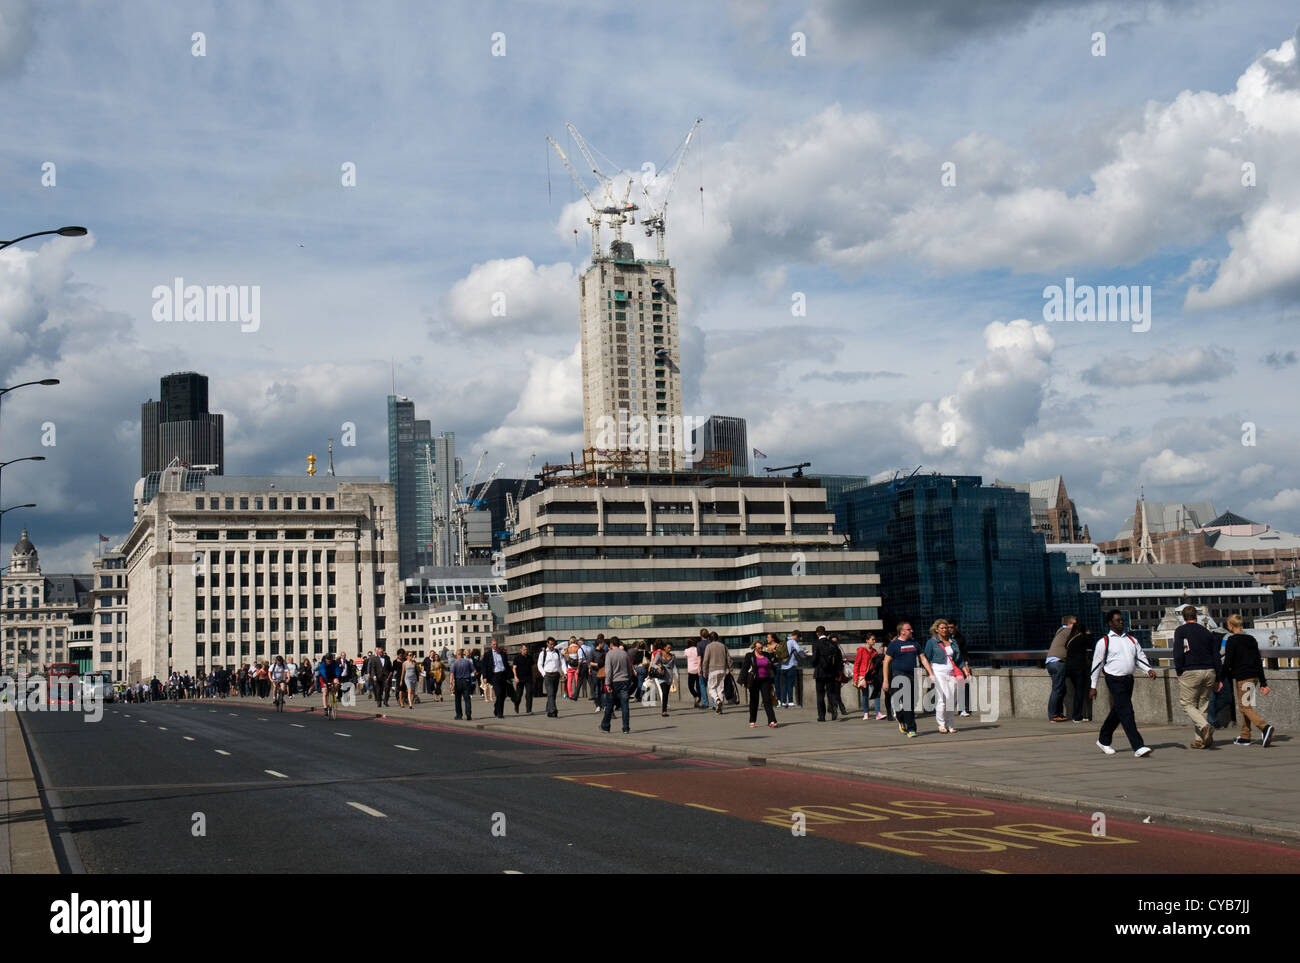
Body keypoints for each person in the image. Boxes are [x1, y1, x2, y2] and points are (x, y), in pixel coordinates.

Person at [1090, 610, 1155, 758]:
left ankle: (1103, 740)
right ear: (1110, 623)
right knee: (1127, 711)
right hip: (1114, 679)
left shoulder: (1131, 640)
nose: (1121, 622)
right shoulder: (1104, 642)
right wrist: (1093, 686)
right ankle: (1138, 746)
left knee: (1118, 711)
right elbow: (1096, 666)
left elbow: (1140, 658)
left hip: (1128, 679)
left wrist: (1148, 669)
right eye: (1117, 620)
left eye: (1121, 620)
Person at [1217, 614, 1275, 747]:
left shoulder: (1232, 640)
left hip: (1243, 677)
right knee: (1246, 706)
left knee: (1244, 706)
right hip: (1254, 677)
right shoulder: (1251, 639)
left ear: (1231, 625)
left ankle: (1264, 727)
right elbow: (1257, 662)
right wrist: (1263, 682)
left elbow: (1228, 662)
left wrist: (1220, 678)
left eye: (1228, 624)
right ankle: (1245, 736)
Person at [1172, 605, 1221, 749]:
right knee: (1203, 705)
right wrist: (1218, 677)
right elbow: (1216, 655)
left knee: (1187, 704)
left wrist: (1179, 669)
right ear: (1196, 616)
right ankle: (1200, 740)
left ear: (1183, 617)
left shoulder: (1181, 631)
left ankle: (1205, 726)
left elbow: (1178, 652)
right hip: (1209, 671)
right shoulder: (1206, 632)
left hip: (1191, 670)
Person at [920, 620, 965, 734]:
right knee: (942, 698)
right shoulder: (932, 642)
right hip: (938, 671)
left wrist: (965, 670)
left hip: (951, 672)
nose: (945, 630)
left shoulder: (952, 641)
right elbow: (927, 658)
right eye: (942, 628)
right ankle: (941, 724)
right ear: (937, 630)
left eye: (946, 628)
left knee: (951, 699)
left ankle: (950, 724)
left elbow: (958, 658)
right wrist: (930, 673)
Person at [883, 622, 921, 737]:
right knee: (907, 702)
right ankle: (911, 729)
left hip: (912, 675)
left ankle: (901, 719)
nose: (912, 631)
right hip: (899, 676)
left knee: (911, 703)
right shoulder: (894, 645)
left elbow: (922, 658)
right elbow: (886, 662)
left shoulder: (914, 643)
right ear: (902, 631)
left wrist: (930, 672)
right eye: (909, 629)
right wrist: (885, 680)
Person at [741, 641, 779, 729]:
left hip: (766, 680)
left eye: (762, 648)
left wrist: (772, 681)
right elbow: (745, 668)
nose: (761, 650)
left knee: (767, 700)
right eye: (759, 648)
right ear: (755, 647)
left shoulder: (766, 655)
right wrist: (743, 681)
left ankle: (772, 720)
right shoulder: (749, 656)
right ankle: (752, 720)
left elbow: (772, 667)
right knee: (754, 701)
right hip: (754, 681)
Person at [1045, 616, 1075, 722]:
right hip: (1058, 662)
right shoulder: (1069, 630)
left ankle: (1058, 714)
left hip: (1050, 662)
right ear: (1070, 624)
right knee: (1057, 690)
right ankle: (1053, 715)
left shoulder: (1060, 631)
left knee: (1059, 689)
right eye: (1075, 623)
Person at [600, 638, 633, 733]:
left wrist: (608, 684)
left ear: (611, 644)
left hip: (614, 682)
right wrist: (629, 680)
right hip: (625, 681)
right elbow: (629, 669)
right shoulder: (624, 653)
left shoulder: (609, 654)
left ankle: (606, 726)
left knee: (609, 705)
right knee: (625, 706)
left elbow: (608, 671)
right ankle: (626, 728)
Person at [811, 626, 842, 722]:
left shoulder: (816, 643)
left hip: (820, 672)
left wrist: (813, 664)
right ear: (825, 633)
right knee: (831, 693)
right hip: (831, 672)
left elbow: (815, 658)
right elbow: (838, 657)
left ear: (817, 633)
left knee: (820, 694)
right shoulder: (832, 643)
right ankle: (833, 709)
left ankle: (821, 716)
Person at [1064, 621, 1092, 722]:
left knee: (1077, 692)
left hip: (1069, 668)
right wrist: (1088, 634)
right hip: (1079, 668)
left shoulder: (1070, 639)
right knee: (1080, 692)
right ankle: (1077, 716)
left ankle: (1080, 715)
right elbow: (1091, 645)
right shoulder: (1082, 638)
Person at [481, 639, 514, 718]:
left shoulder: (502, 653)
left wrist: (510, 676)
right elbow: (484, 666)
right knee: (498, 693)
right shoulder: (488, 654)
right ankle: (500, 713)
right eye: (493, 644)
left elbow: (506, 664)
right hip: (494, 676)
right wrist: (485, 677)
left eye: (496, 644)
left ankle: (497, 708)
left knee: (502, 695)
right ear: (491, 645)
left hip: (503, 674)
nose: (495, 646)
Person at [701, 632, 731, 713]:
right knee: (720, 689)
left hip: (713, 670)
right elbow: (729, 658)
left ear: (709, 639)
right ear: (717, 638)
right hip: (722, 669)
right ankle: (720, 707)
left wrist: (704, 670)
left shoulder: (709, 646)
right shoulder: (723, 646)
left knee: (711, 688)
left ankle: (717, 700)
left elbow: (706, 660)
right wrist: (730, 669)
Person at [948, 618, 972, 717]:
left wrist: (966, 666)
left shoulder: (960, 638)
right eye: (947, 627)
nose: (949, 629)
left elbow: (964, 653)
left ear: (956, 627)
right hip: (948, 666)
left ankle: (962, 709)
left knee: (962, 686)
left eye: (951, 627)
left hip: (958, 665)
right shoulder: (944, 637)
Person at [537, 637, 564, 718]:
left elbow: (562, 662)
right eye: (550, 644)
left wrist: (565, 672)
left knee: (553, 694)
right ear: (547, 644)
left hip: (556, 674)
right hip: (547, 675)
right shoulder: (543, 653)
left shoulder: (557, 652)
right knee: (550, 693)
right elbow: (539, 664)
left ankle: (549, 710)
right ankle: (553, 711)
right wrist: (543, 674)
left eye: (553, 644)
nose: (552, 646)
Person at [853, 634, 878, 719]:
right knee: (865, 695)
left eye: (874, 639)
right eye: (872, 639)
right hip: (863, 675)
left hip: (873, 675)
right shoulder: (861, 650)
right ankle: (866, 713)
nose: (874, 641)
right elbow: (856, 664)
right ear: (867, 640)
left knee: (876, 693)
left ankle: (878, 713)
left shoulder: (875, 651)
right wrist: (855, 677)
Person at [648, 641, 675, 717]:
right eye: (668, 647)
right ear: (664, 647)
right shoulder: (659, 654)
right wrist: (659, 667)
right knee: (664, 691)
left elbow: (673, 667)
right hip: (661, 676)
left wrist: (676, 677)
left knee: (666, 693)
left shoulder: (673, 656)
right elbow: (654, 663)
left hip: (669, 676)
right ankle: (664, 711)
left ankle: (664, 709)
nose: (669, 649)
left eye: (670, 648)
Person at [451, 649, 475, 720]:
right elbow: (474, 671)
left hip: (458, 682)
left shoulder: (454, 663)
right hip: (466, 681)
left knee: (458, 699)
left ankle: (459, 715)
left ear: (457, 655)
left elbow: (452, 674)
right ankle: (468, 714)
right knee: (467, 699)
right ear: (462, 655)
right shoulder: (468, 662)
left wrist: (451, 683)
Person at [781, 630, 803, 707]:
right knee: (790, 684)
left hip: (783, 666)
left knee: (784, 685)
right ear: (796, 636)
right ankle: (790, 701)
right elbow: (799, 650)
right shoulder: (793, 641)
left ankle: (783, 702)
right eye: (799, 638)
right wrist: (804, 653)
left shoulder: (784, 640)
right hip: (791, 665)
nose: (798, 640)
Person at [512, 643, 536, 714]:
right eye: (524, 649)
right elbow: (514, 668)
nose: (526, 651)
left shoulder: (530, 657)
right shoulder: (517, 658)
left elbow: (532, 667)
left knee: (529, 694)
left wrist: (533, 677)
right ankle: (516, 705)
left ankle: (528, 710)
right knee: (519, 695)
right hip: (519, 679)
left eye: (526, 649)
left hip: (528, 678)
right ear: (521, 650)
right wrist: (515, 677)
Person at [684, 641, 704, 708]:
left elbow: (686, 656)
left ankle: (696, 696)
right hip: (698, 670)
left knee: (690, 686)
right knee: (699, 687)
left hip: (691, 671)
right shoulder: (698, 649)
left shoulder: (687, 650)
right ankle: (698, 698)